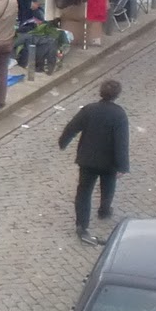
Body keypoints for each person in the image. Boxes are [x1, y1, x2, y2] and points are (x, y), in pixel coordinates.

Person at [58, 80, 130, 246]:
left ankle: (82, 225)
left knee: (84, 192)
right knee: (108, 187)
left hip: (87, 159)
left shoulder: (89, 110)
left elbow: (72, 127)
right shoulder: (119, 115)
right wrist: (122, 166)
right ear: (117, 95)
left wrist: (63, 142)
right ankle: (104, 210)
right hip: (109, 162)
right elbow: (122, 142)